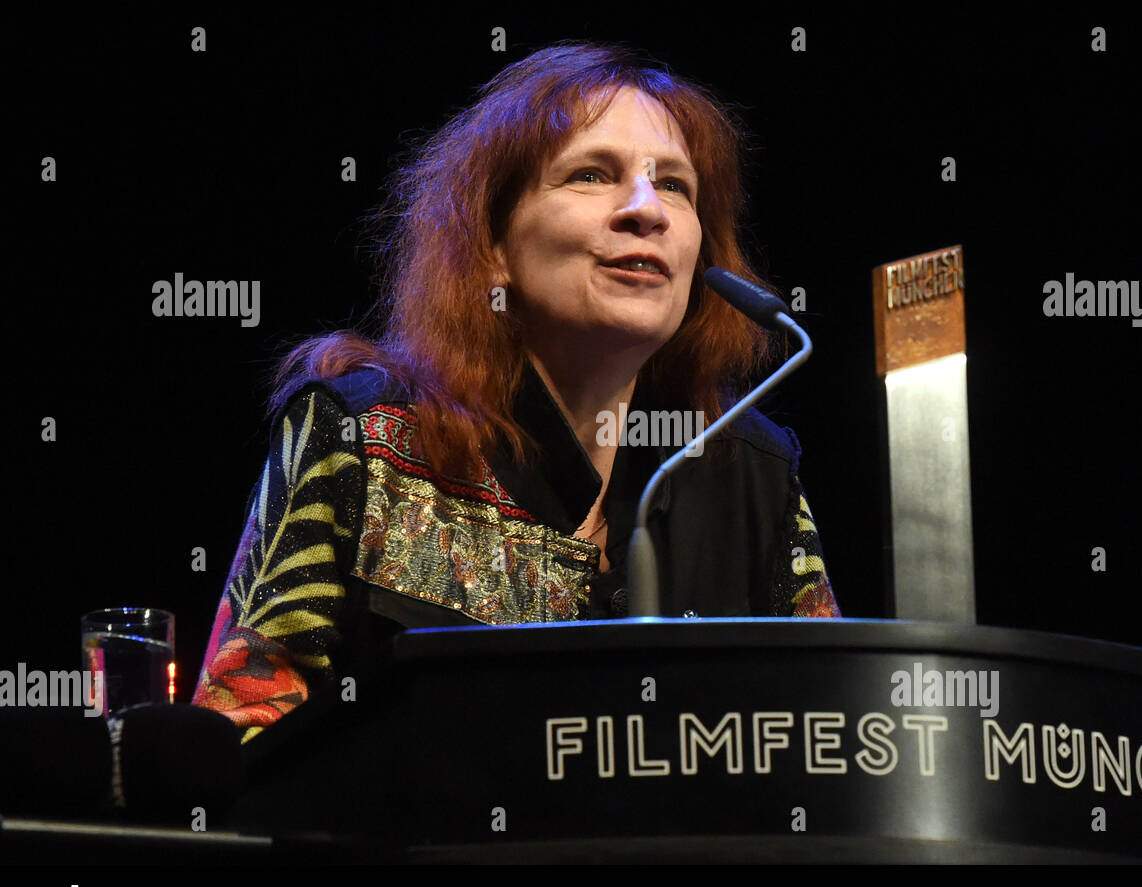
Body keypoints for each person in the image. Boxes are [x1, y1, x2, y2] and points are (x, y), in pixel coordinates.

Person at [193, 41, 841, 745]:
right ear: (493, 247)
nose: (646, 210)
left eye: (676, 186)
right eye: (593, 174)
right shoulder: (360, 436)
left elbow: (827, 734)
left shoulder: (752, 472)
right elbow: (244, 729)